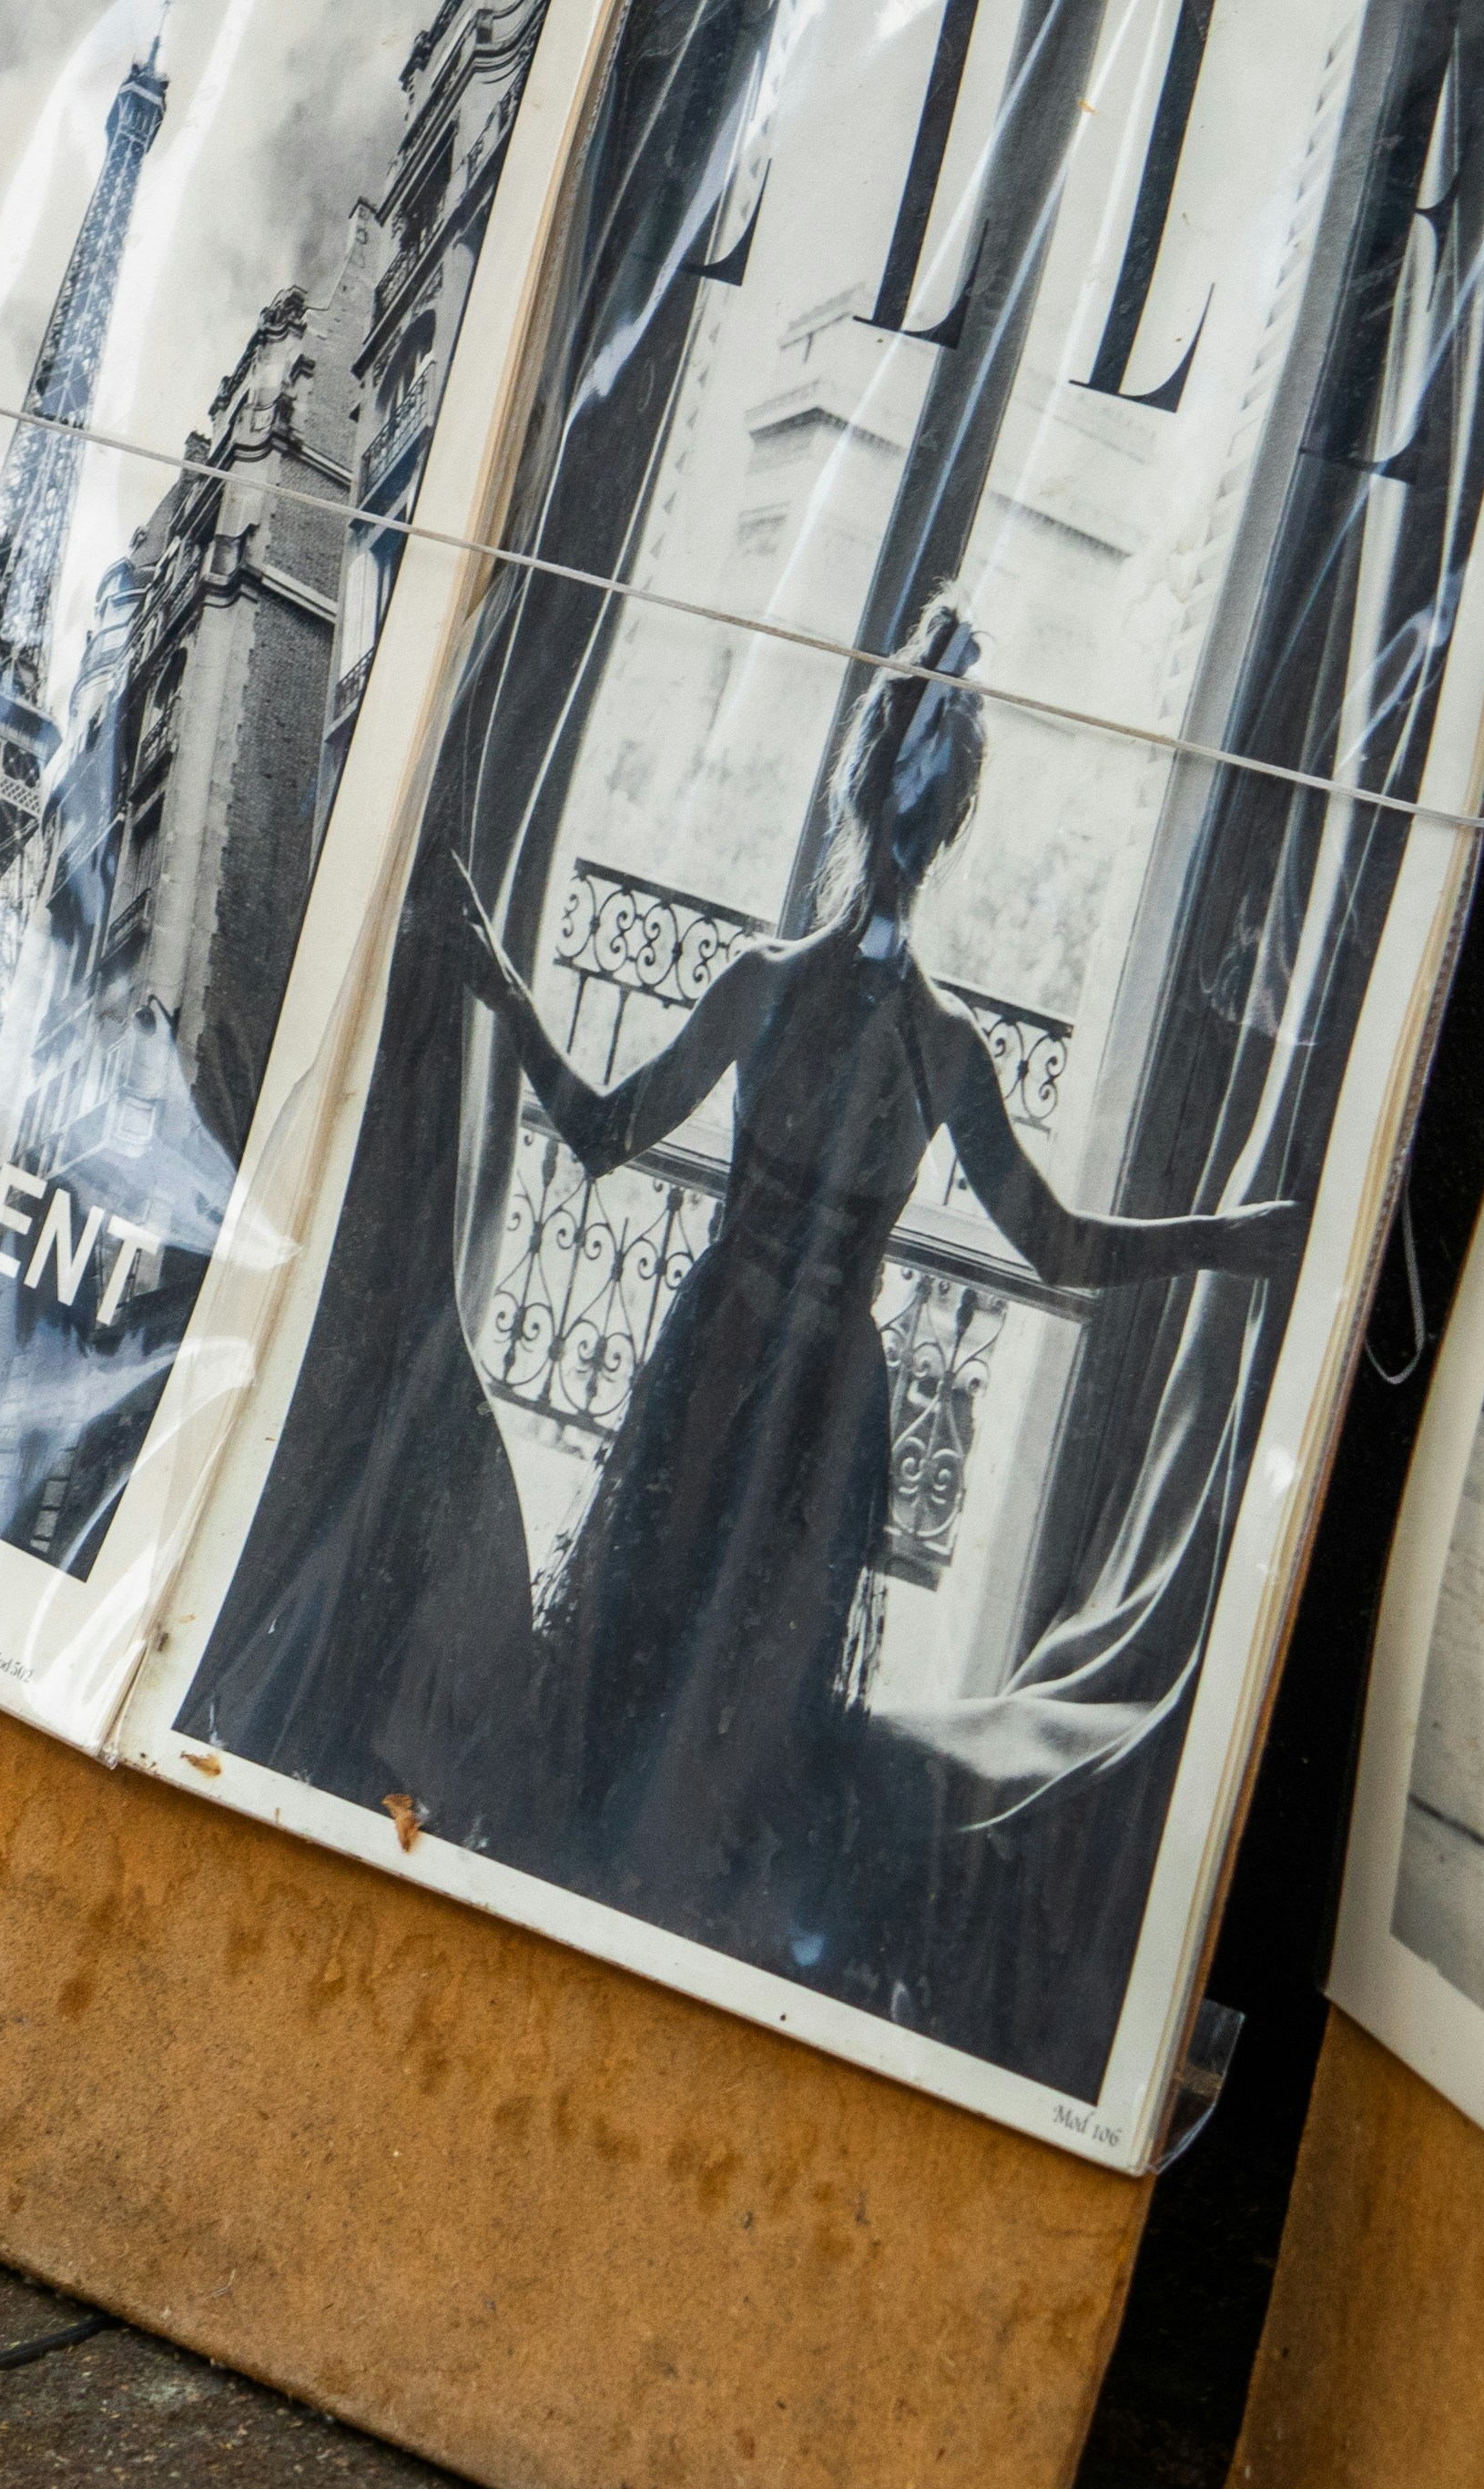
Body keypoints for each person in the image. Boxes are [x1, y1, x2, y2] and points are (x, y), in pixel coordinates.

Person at [452, 601, 1303, 1948]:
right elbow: (1067, 1250)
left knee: (643, 1633)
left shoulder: (764, 983)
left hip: (718, 1354)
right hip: (828, 1397)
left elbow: (603, 1135)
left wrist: (513, 1000)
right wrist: (1225, 1238)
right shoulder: (945, 1047)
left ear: (855, 785)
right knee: (754, 1693)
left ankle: (573, 1910)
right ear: (951, 825)